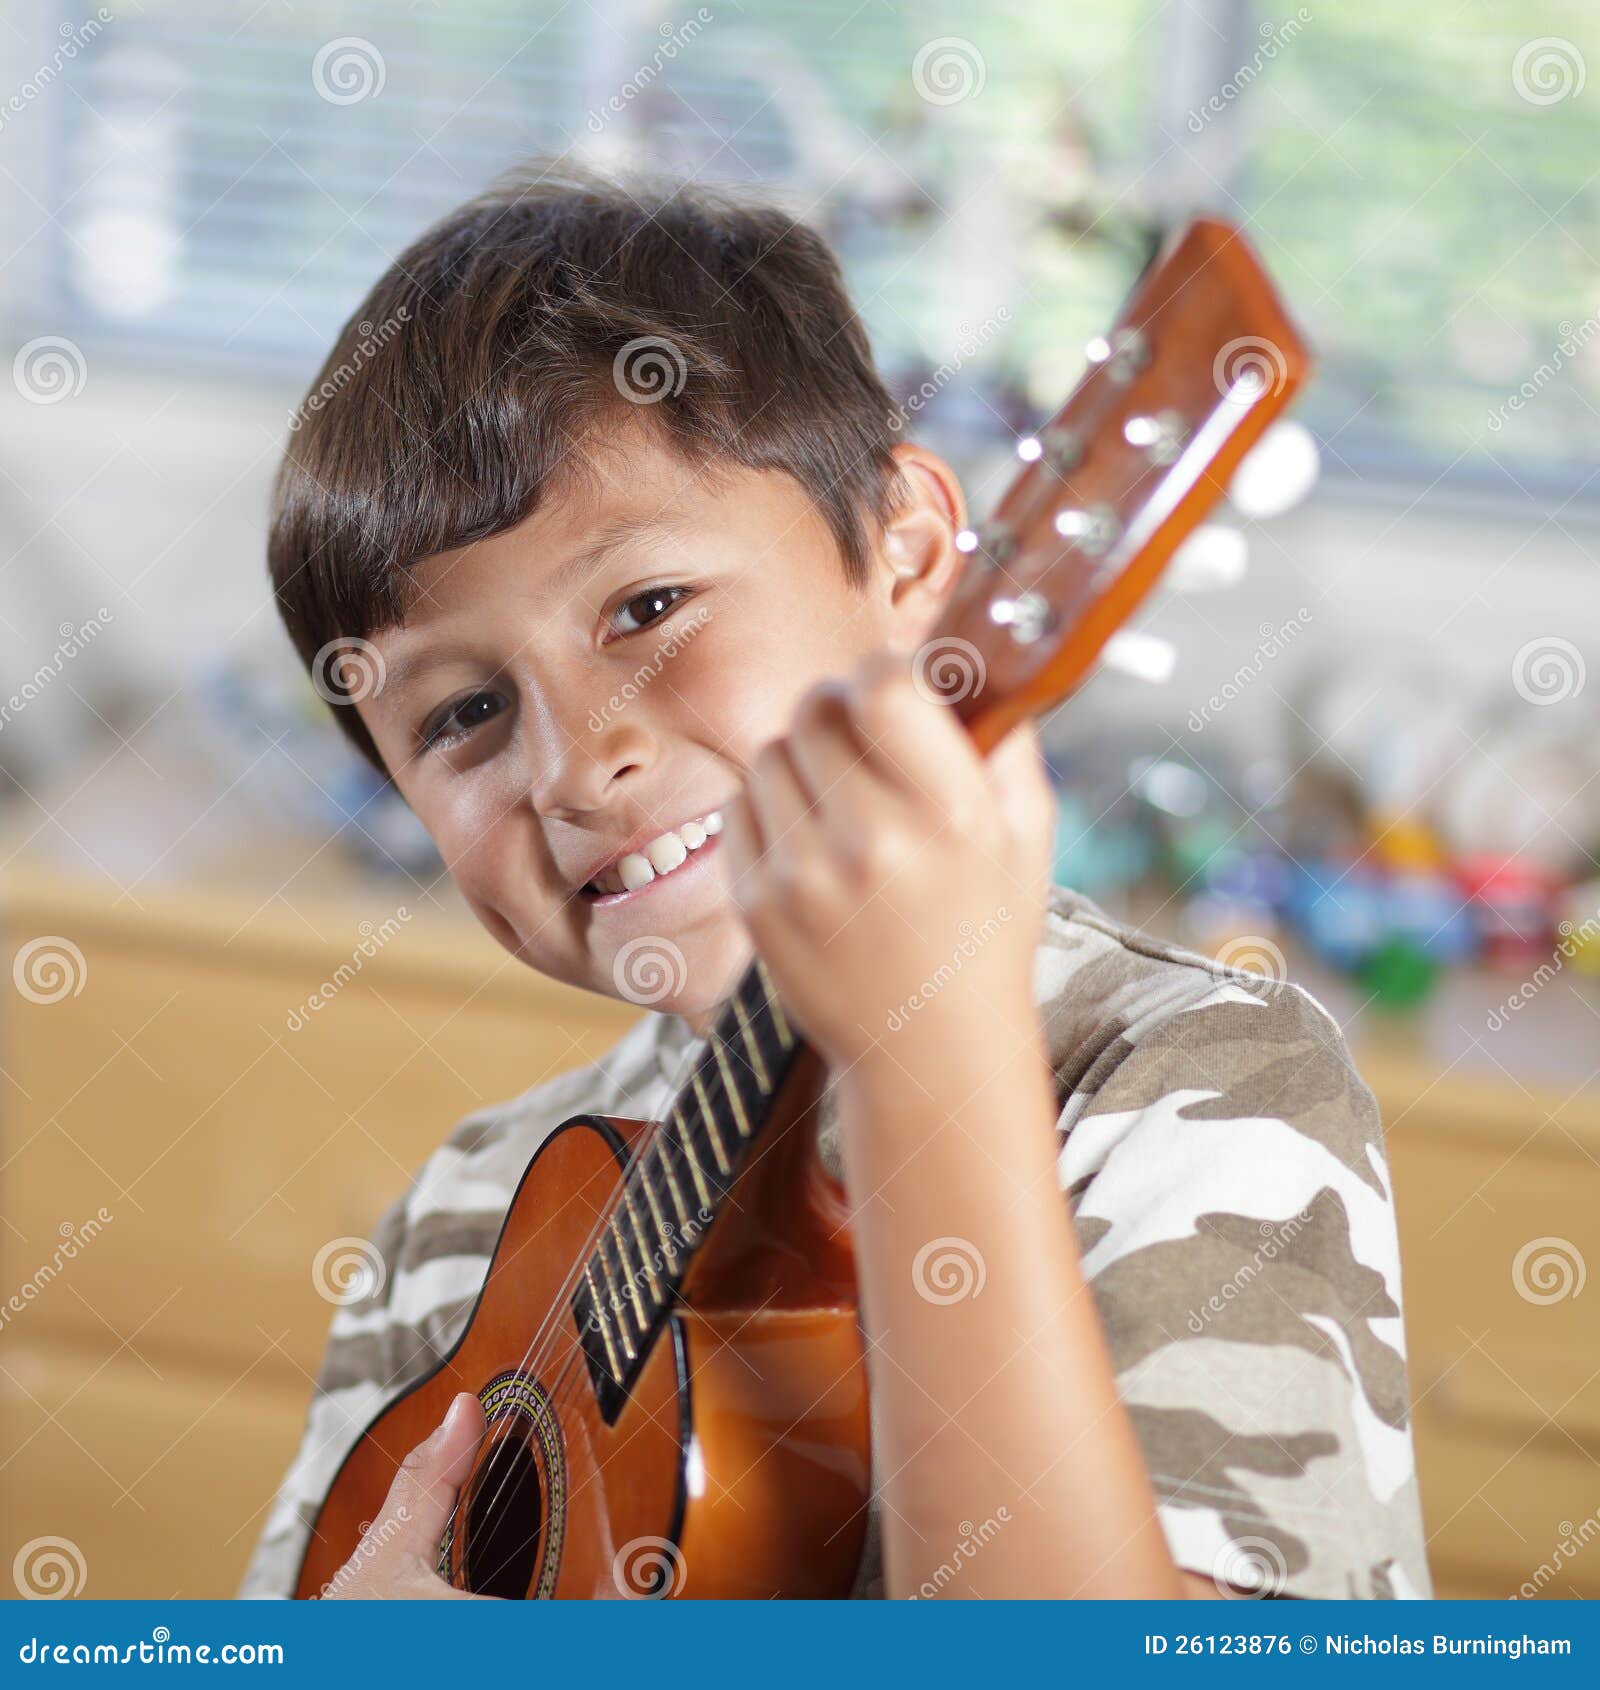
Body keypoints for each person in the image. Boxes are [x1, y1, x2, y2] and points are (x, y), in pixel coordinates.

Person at [243, 161, 1431, 1600]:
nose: (573, 764)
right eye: (462, 714)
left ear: (915, 550)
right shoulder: (465, 1220)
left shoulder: (1194, 1092)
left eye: (649, 607)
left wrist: (926, 1050)